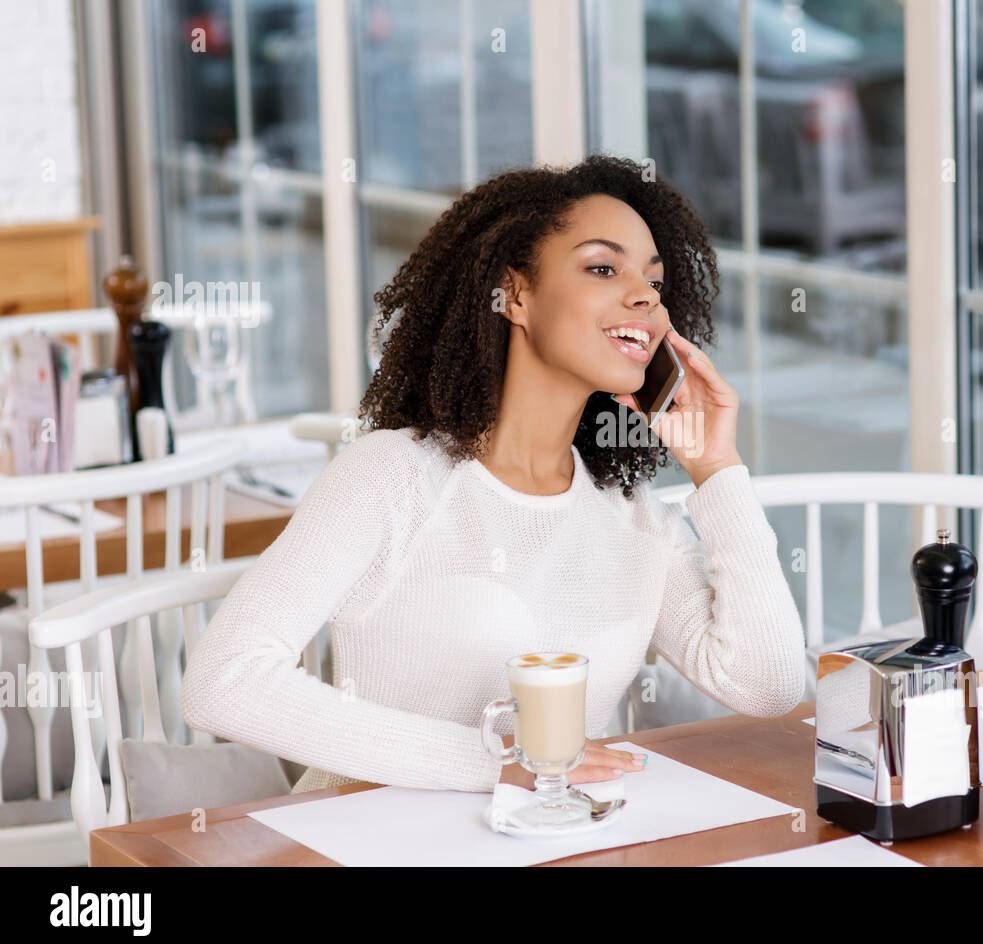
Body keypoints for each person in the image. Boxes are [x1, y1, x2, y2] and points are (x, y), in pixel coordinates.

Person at [180, 154, 806, 796]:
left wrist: (716, 468)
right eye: (601, 267)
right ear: (516, 294)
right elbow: (221, 683)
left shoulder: (640, 521)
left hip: (545, 845)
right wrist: (498, 762)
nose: (646, 297)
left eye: (654, 280)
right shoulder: (391, 478)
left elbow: (769, 686)